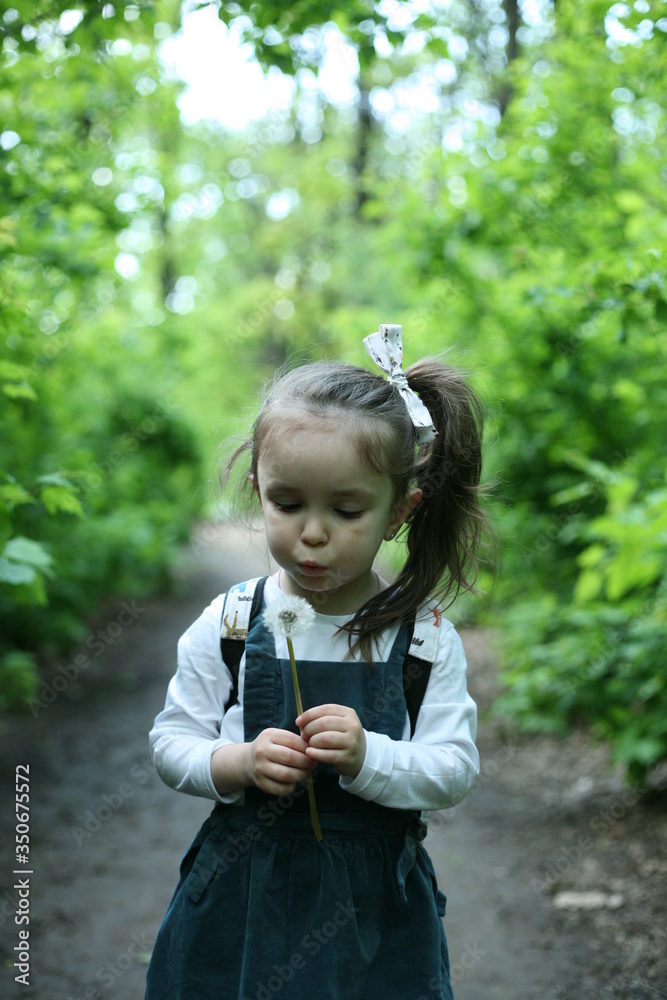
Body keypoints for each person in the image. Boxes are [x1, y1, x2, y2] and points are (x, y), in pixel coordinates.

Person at [145, 324, 493, 1000]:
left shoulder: (422, 636)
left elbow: (452, 769)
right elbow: (171, 741)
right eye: (287, 502)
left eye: (346, 509)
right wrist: (236, 762)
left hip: (373, 915)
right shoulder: (230, 624)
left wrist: (370, 758)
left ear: (400, 510)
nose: (311, 532)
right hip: (241, 901)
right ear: (257, 486)